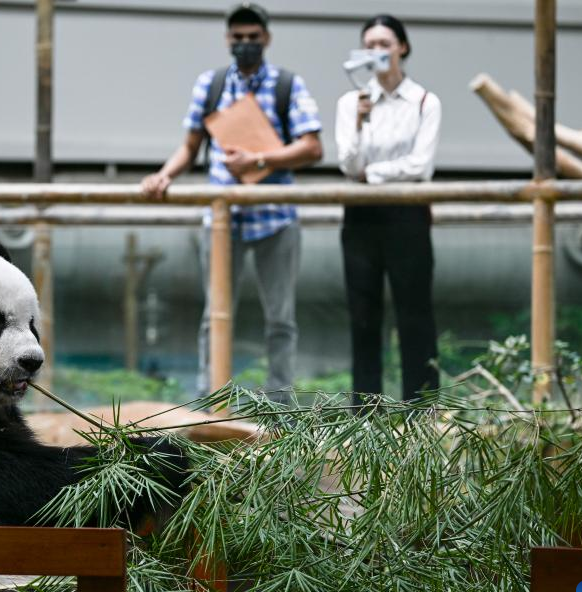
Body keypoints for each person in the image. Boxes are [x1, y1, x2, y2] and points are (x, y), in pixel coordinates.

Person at [141, 2, 323, 402]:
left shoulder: (287, 85)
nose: (245, 45)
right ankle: (212, 399)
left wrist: (259, 159)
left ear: (267, 39)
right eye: (238, 38)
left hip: (276, 217)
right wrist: (164, 175)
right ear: (227, 40)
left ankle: (280, 405)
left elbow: (312, 147)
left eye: (252, 38)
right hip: (223, 220)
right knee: (215, 317)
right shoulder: (213, 84)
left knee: (281, 319)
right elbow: (190, 146)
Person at [334, 14, 441, 403]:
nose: (377, 52)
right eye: (370, 45)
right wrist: (361, 124)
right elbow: (348, 165)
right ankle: (365, 418)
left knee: (415, 313)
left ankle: (423, 411)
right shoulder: (351, 102)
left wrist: (372, 173)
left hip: (408, 213)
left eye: (384, 44)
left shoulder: (424, 102)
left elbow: (420, 166)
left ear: (402, 47)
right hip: (361, 214)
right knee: (363, 316)